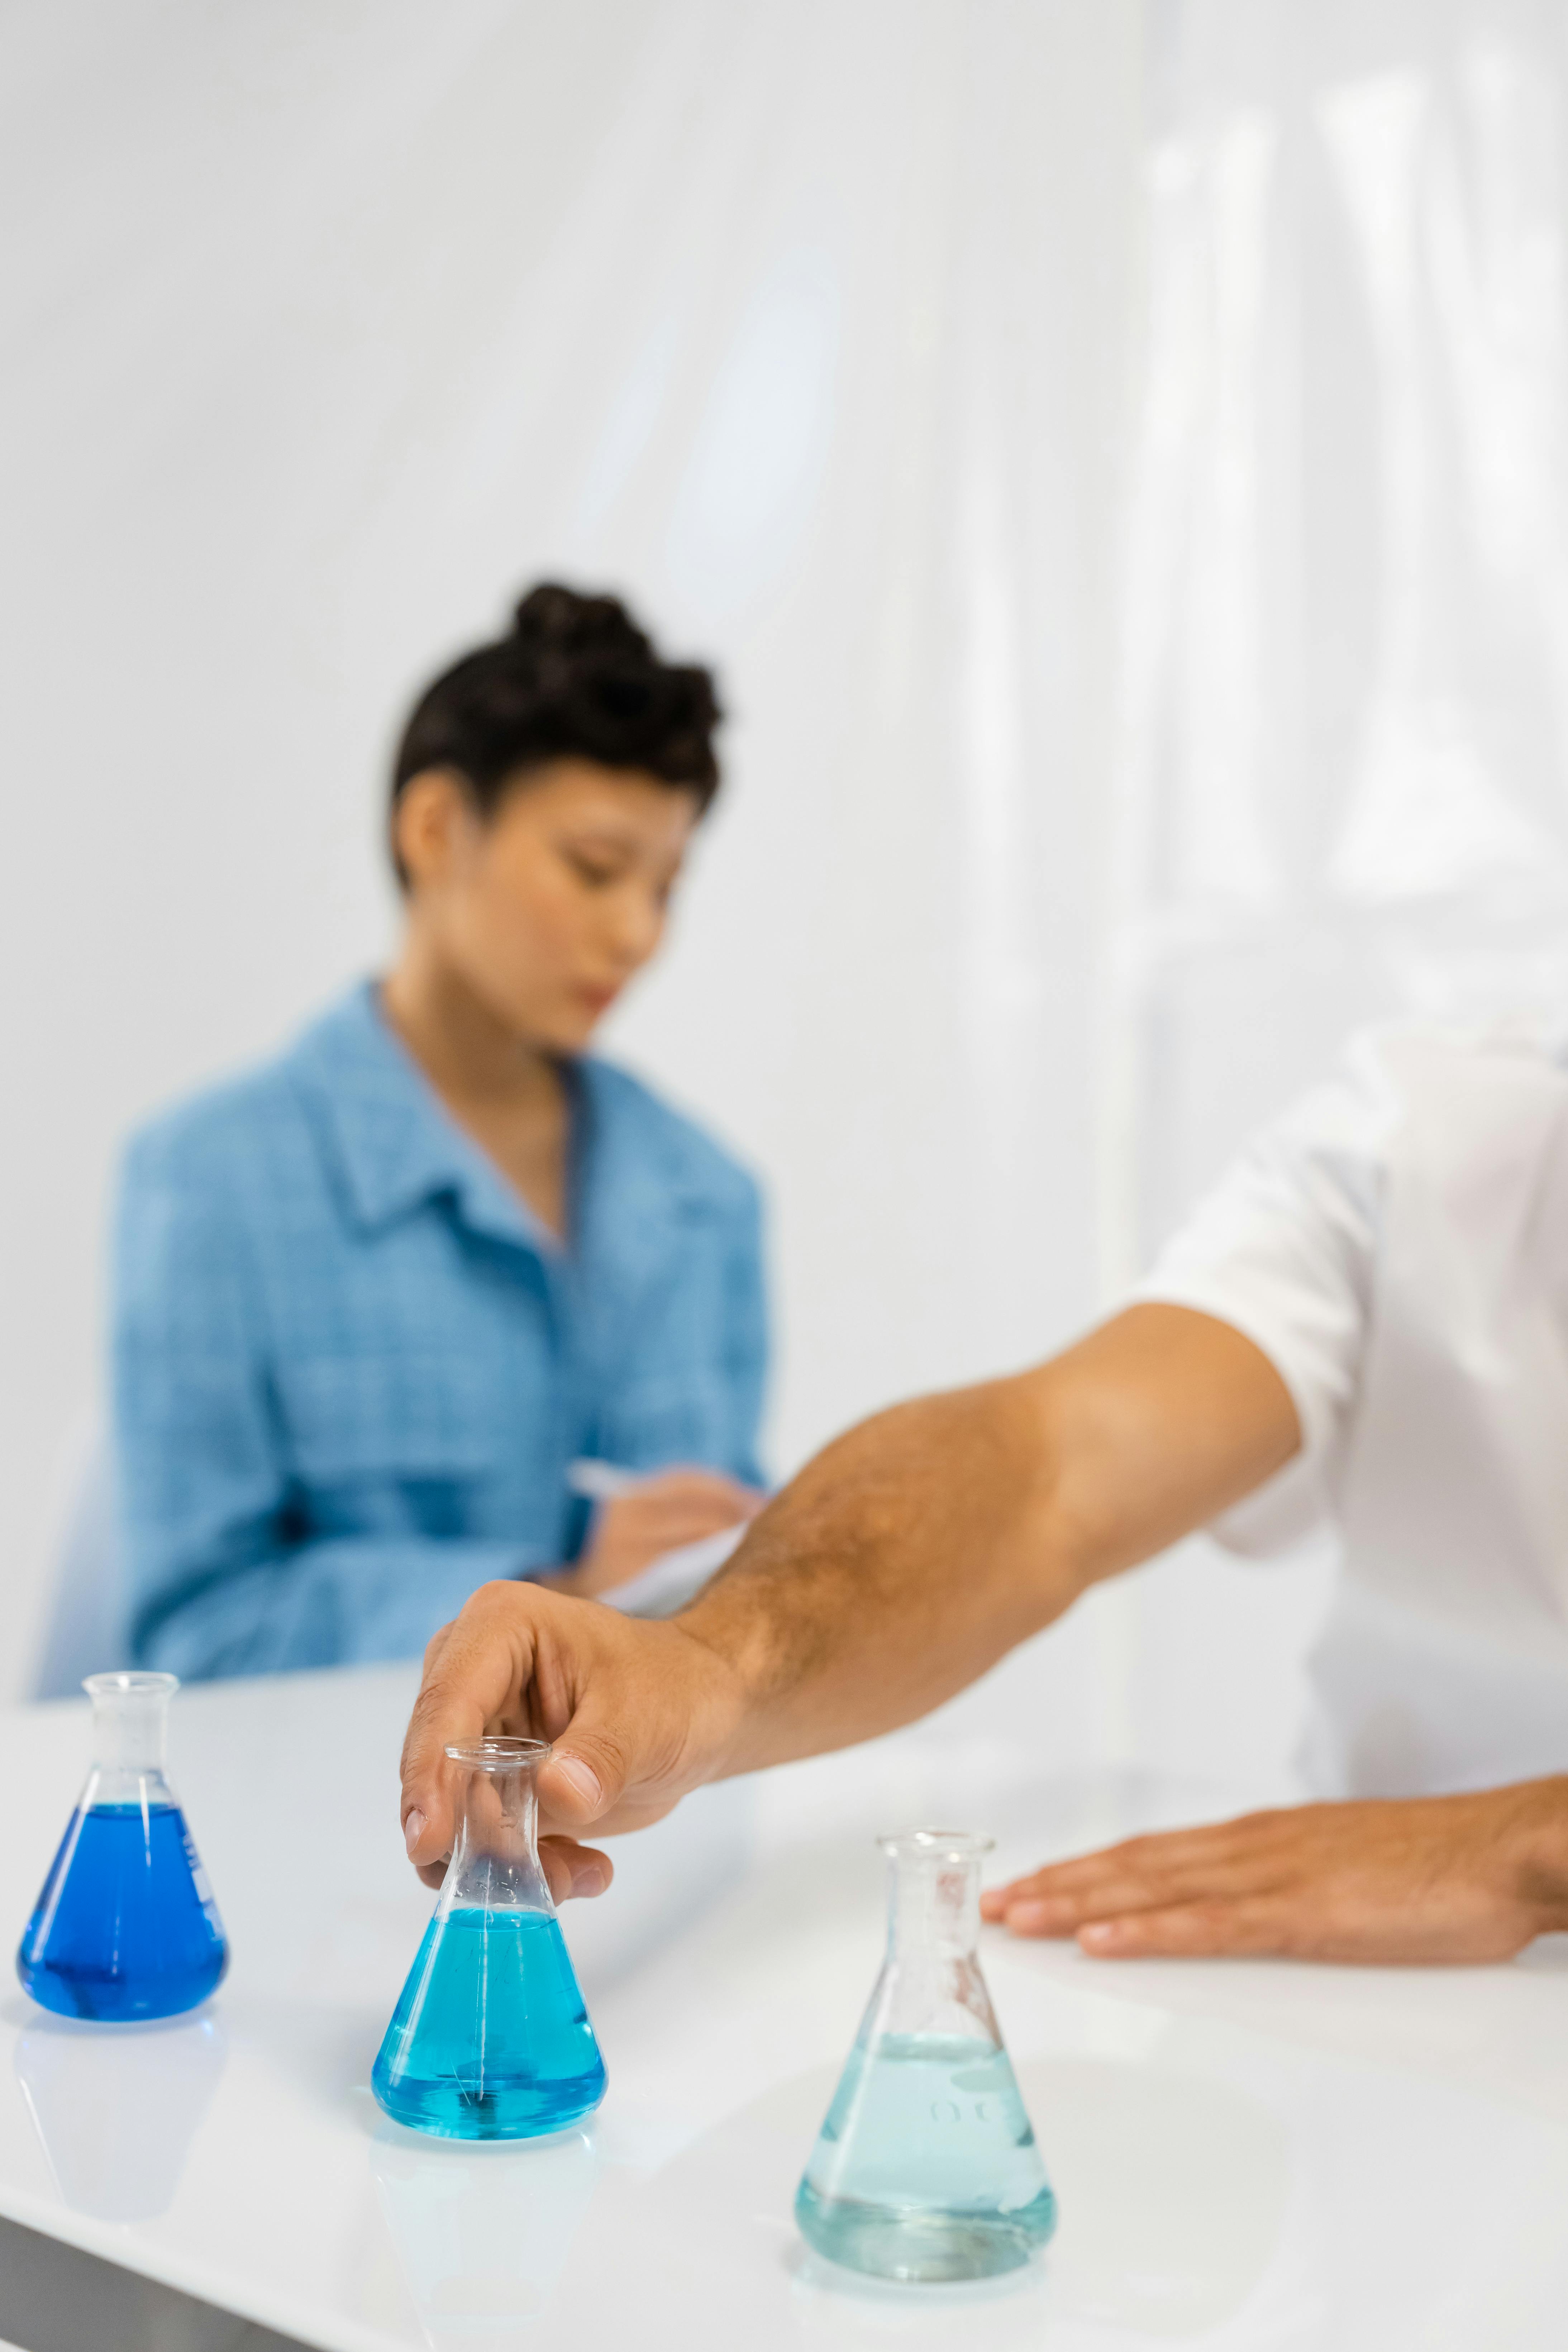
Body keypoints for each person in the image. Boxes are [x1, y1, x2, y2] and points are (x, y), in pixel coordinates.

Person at [399, 1015, 1568, 1960]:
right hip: (1382, 1979)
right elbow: (1045, 1467)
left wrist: (1523, 1842)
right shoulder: (1431, 1148)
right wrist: (712, 1663)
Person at [115, 585, 766, 1680]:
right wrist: (544, 1592)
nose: (638, 931)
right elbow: (197, 1632)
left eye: (666, 885)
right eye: (596, 869)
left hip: (641, 1817)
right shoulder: (210, 1183)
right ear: (435, 830)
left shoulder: (707, 1197)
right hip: (332, 1814)